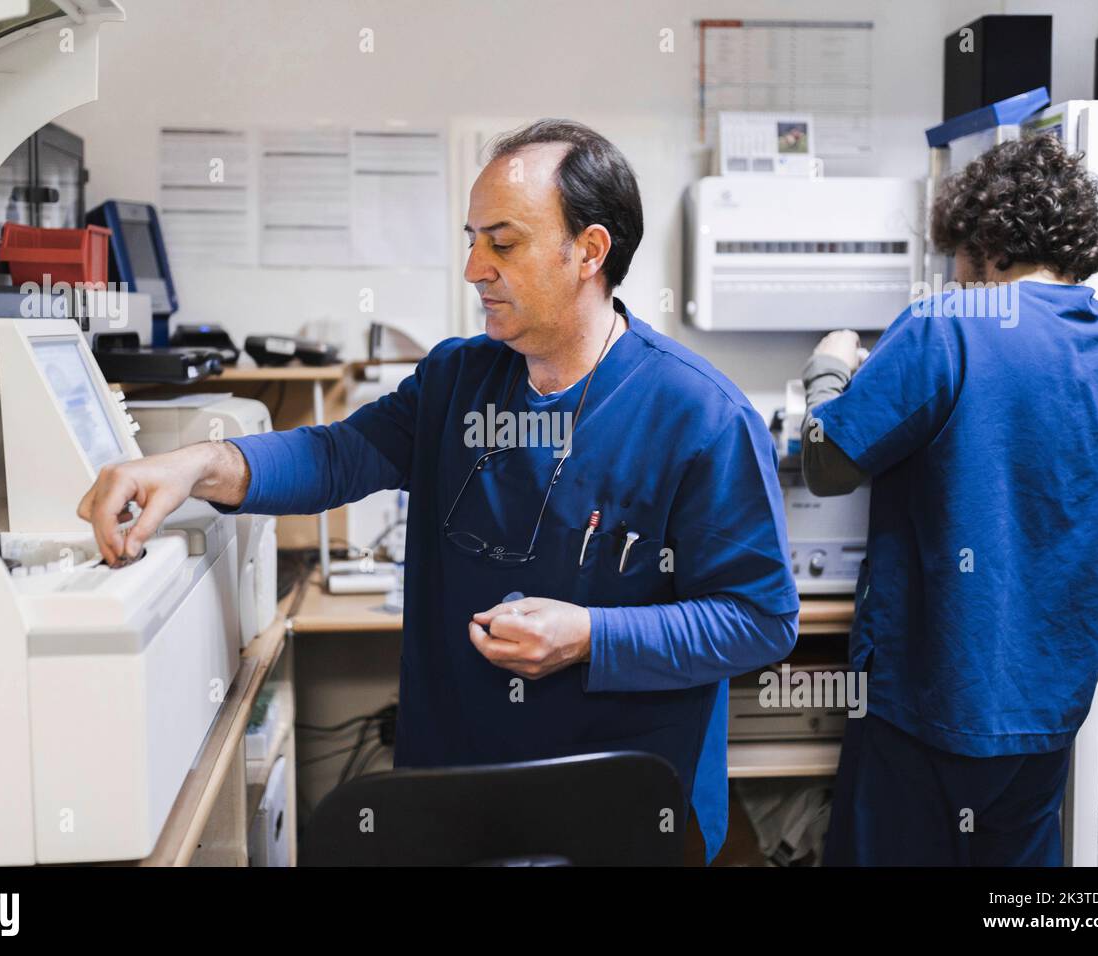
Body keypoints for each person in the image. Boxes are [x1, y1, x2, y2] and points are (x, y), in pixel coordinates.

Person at [77, 119, 799, 863]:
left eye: (503, 243)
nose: (474, 268)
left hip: (615, 812)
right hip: (454, 796)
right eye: (471, 239)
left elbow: (759, 620)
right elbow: (339, 455)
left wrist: (590, 637)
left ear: (589, 251)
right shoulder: (457, 380)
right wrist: (197, 464)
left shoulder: (701, 416)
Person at [800, 133, 1098, 865]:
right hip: (1050, 713)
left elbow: (827, 464)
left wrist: (829, 368)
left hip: (932, 704)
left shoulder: (947, 326)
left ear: (985, 239)